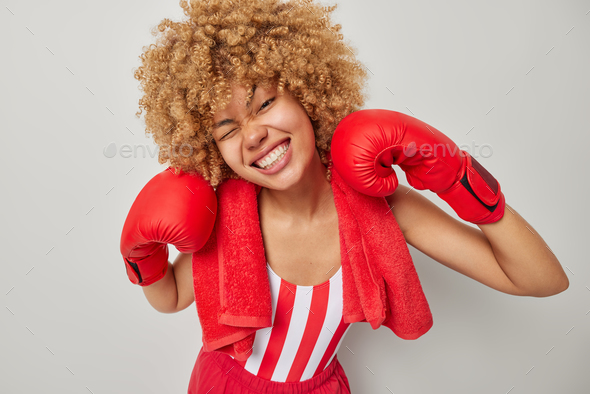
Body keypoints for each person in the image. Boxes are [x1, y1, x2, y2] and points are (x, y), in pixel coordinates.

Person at [120, 0, 570, 392]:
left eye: (264, 104)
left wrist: (464, 182)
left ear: (307, 95)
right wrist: (144, 257)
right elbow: (170, 298)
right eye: (229, 129)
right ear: (212, 150)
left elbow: (541, 280)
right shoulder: (223, 211)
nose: (254, 134)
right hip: (219, 386)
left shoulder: (384, 208)